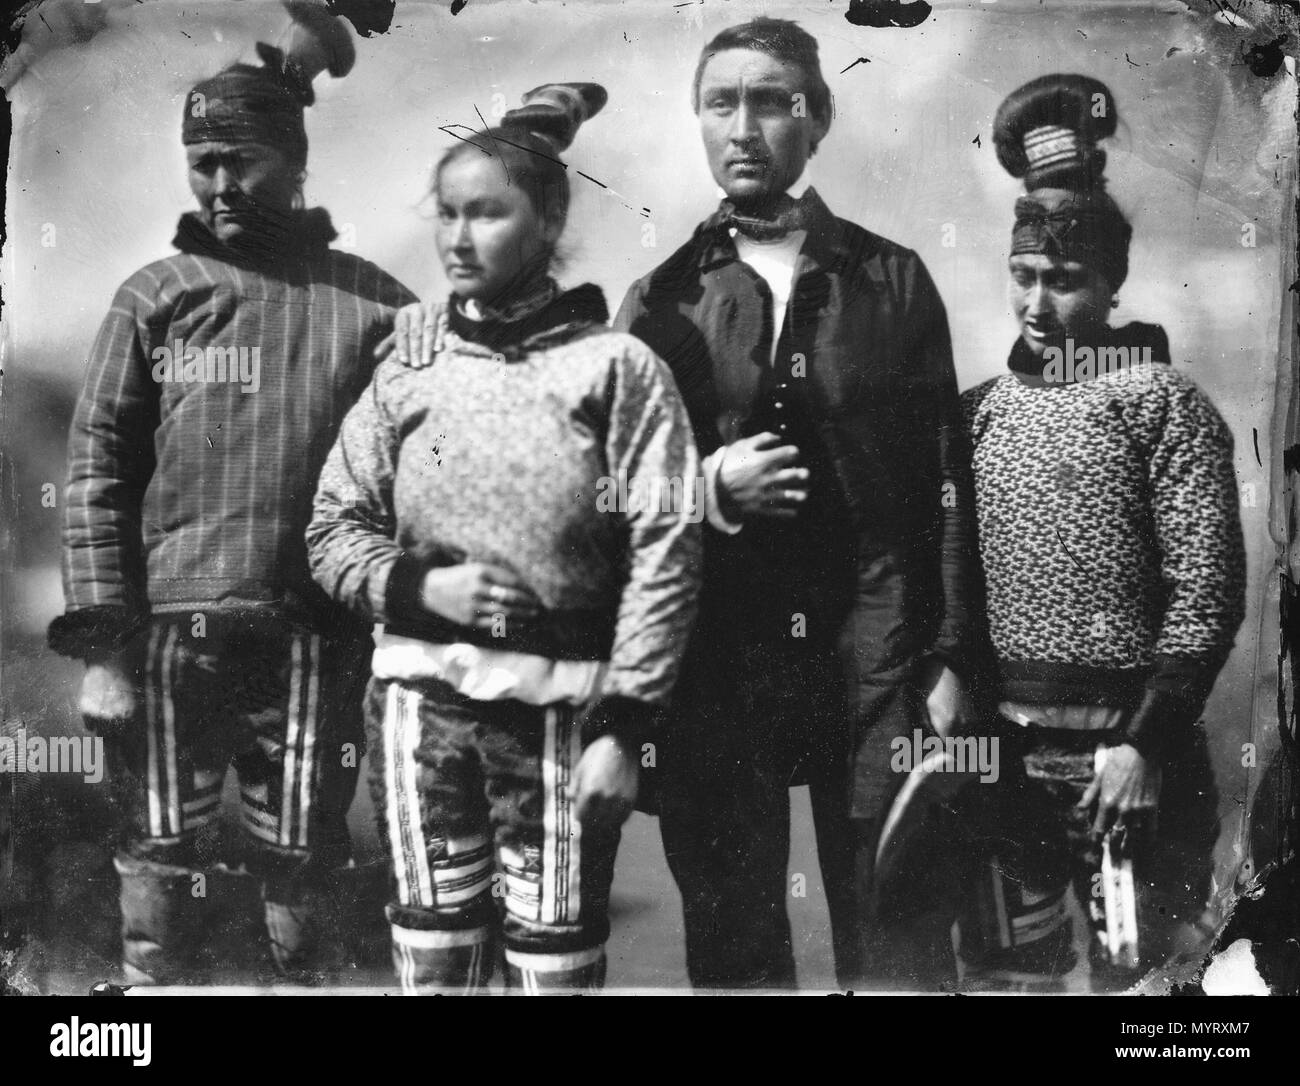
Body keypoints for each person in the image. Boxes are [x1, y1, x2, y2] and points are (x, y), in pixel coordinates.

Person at [47, 6, 417, 985]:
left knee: (300, 847)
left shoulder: (375, 308)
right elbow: (94, 475)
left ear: (295, 164)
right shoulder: (154, 296)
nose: (219, 185)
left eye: (240, 161)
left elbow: (424, 471)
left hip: (312, 637)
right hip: (169, 640)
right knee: (159, 841)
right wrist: (100, 649)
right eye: (201, 164)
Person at [306, 83, 702, 993]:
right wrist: (416, 589)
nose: (457, 237)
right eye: (446, 214)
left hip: (560, 724)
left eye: (488, 213)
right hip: (418, 716)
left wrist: (625, 724)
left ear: (549, 215)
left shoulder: (614, 367)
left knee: (554, 972)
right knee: (434, 966)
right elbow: (333, 524)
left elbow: (666, 552)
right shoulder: (413, 371)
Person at [613, 18, 982, 990]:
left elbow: (946, 480)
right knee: (734, 936)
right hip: (720, 664)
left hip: (874, 650)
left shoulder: (892, 279)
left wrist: (946, 662)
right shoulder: (657, 299)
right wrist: (704, 489)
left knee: (897, 925)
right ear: (697, 119)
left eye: (771, 100)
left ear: (816, 119)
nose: (744, 126)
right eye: (720, 101)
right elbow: (606, 499)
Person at [958, 74, 1246, 990]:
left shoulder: (1160, 404)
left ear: (1114, 281)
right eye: (1024, 276)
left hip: (1128, 769)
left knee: (1139, 976)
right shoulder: (978, 414)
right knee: (1014, 968)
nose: (1038, 304)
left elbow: (1208, 591)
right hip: (1005, 762)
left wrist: (1144, 742)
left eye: (1067, 280)